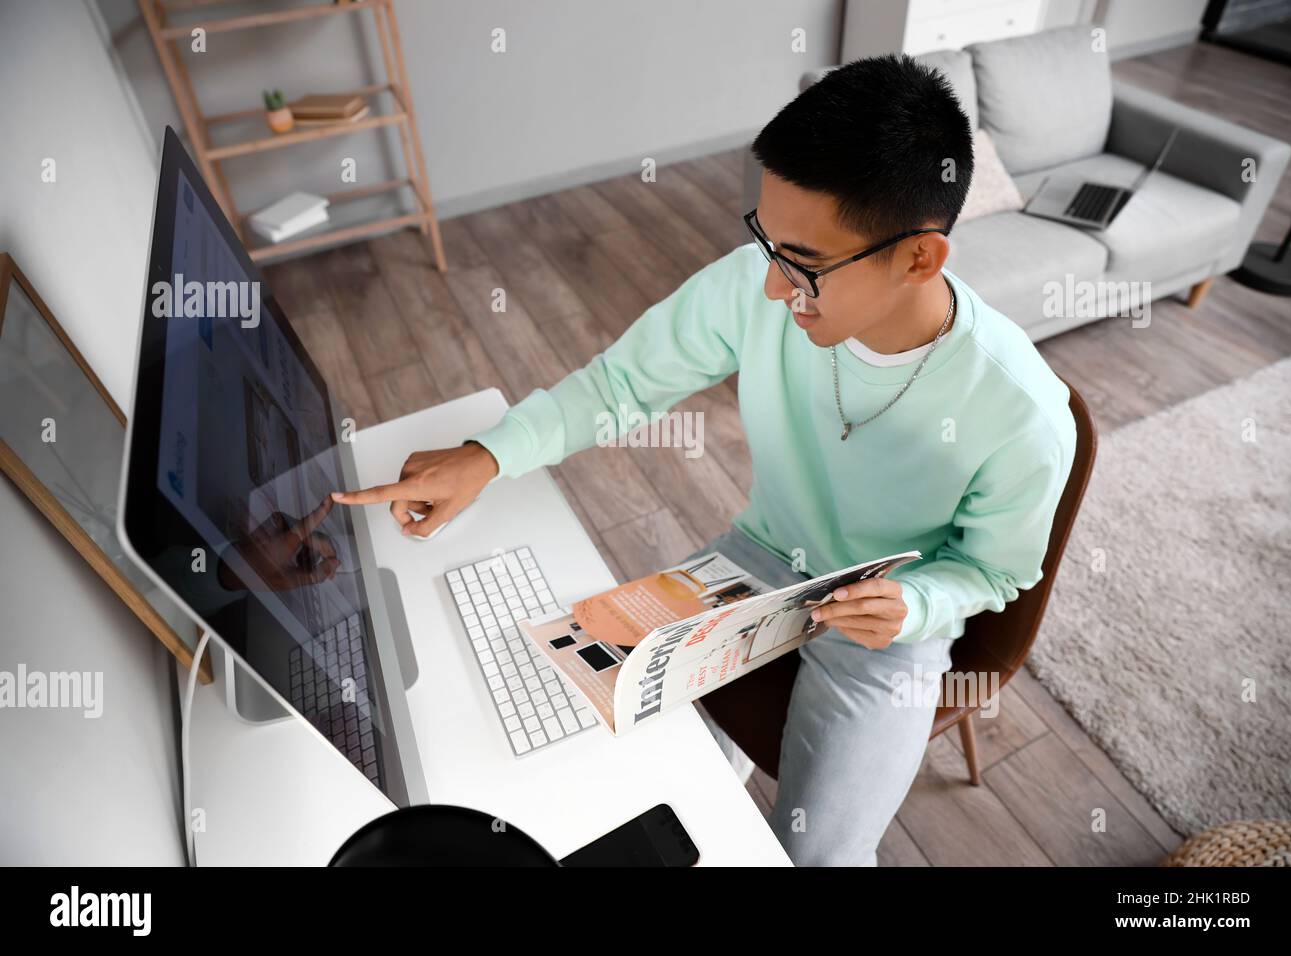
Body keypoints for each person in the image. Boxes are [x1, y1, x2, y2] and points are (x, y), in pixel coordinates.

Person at [332, 54, 1076, 866]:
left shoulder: (1023, 414)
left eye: (805, 264)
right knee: (589, 753)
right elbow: (621, 384)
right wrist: (488, 454)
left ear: (919, 259)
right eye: (766, 240)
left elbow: (995, 574)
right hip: (752, 565)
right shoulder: (761, 287)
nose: (769, 288)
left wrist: (917, 605)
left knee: (819, 857)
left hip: (883, 628)